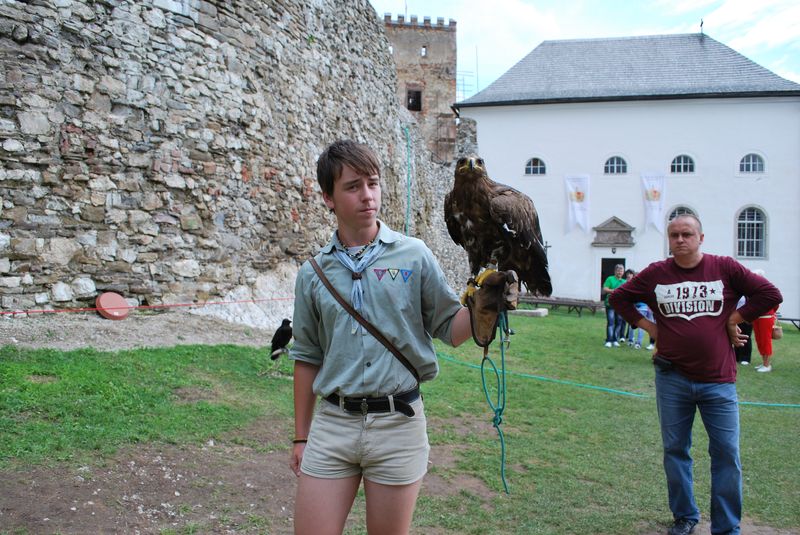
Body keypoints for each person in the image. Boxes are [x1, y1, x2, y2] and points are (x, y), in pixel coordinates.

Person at [289, 140, 483, 535]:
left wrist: (487, 306)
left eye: (373, 184)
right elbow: (307, 356)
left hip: (398, 424)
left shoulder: (414, 255)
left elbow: (452, 328)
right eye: (353, 186)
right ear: (328, 197)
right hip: (333, 424)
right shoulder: (313, 273)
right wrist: (301, 436)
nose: (367, 196)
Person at [610, 214, 782, 535]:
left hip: (718, 380)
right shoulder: (656, 273)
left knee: (727, 454)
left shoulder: (725, 268)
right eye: (674, 234)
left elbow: (770, 294)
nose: (680, 239)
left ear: (701, 238)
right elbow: (619, 298)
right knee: (675, 450)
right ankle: (685, 516)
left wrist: (734, 318)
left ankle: (726, 527)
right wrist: (649, 327)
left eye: (687, 234)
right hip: (672, 379)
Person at [750, 271, 779, 373]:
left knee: (765, 341)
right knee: (759, 341)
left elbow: (776, 301)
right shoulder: (753, 289)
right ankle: (764, 363)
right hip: (756, 317)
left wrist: (770, 313)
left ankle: (767, 365)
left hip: (766, 317)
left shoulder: (767, 288)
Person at [602, 264, 627, 347]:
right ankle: (609, 340)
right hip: (610, 303)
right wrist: (614, 290)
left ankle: (615, 340)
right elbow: (605, 289)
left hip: (620, 305)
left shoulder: (625, 282)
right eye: (618, 270)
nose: (620, 272)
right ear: (615, 271)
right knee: (611, 322)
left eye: (621, 271)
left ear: (623, 272)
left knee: (619, 322)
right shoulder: (610, 279)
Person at [733, 296, 752, 366]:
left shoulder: (748, 295)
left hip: (746, 317)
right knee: (736, 336)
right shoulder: (735, 294)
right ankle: (736, 356)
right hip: (735, 317)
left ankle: (745, 358)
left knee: (746, 336)